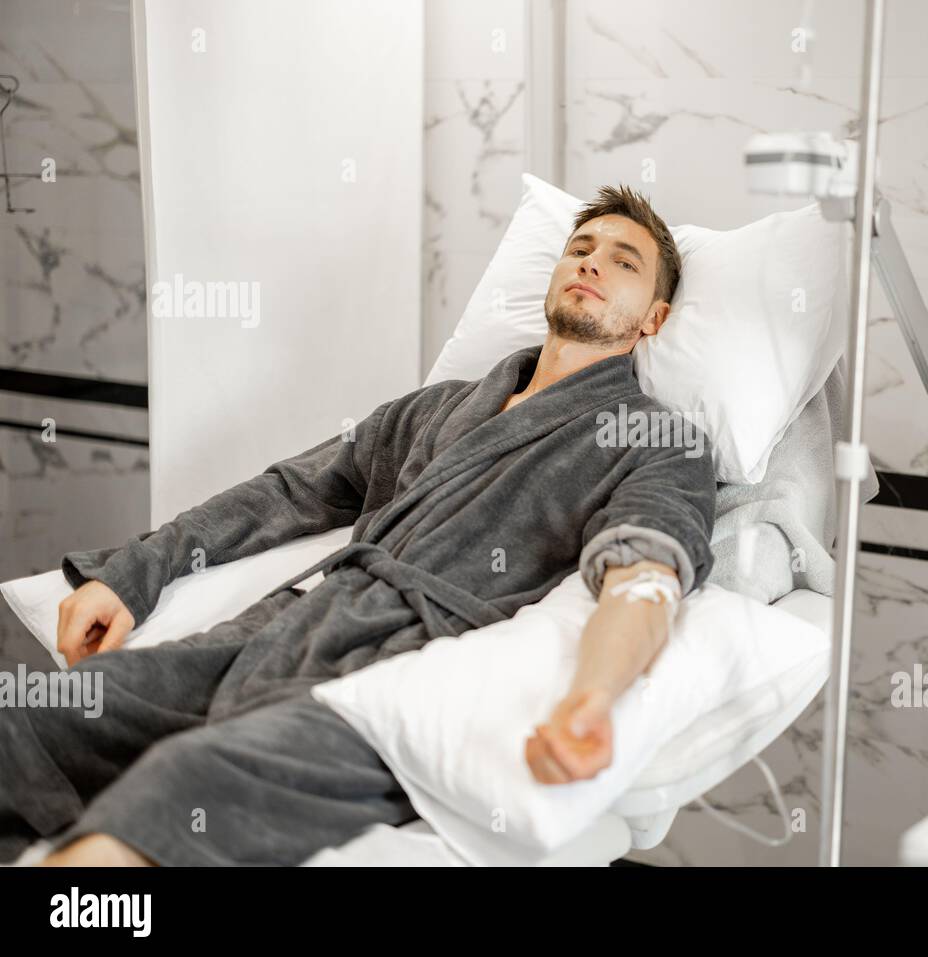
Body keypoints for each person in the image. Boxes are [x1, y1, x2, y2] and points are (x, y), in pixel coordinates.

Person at [0, 184, 716, 866]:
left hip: (400, 670)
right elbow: (287, 492)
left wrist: (594, 696)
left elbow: (645, 573)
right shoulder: (437, 407)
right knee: (32, 715)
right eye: (580, 246)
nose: (591, 260)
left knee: (187, 785)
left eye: (624, 261)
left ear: (653, 318)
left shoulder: (653, 438)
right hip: (281, 628)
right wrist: (134, 574)